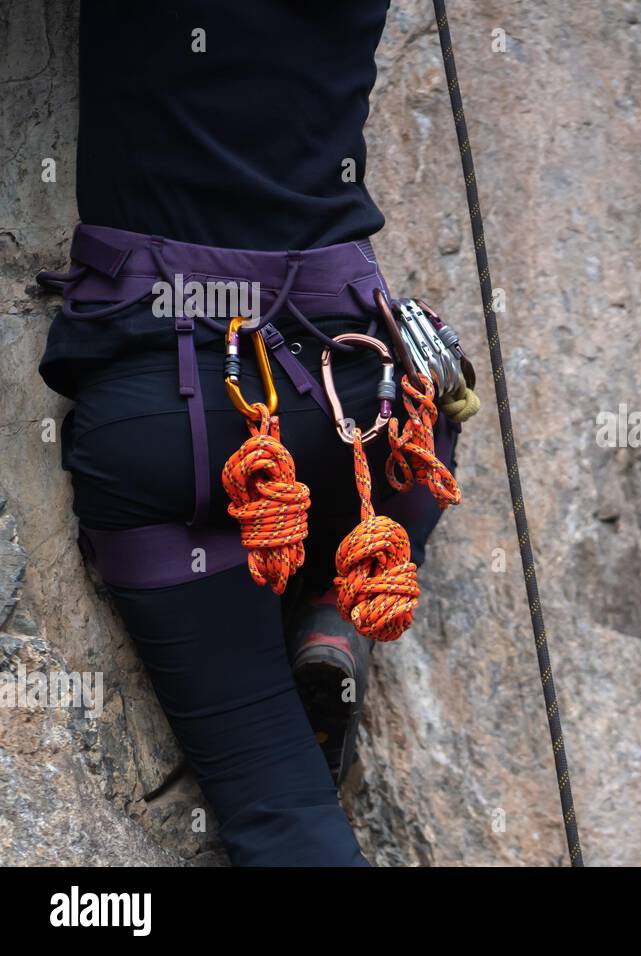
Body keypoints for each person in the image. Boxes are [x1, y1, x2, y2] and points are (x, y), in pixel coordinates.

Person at [35, 1, 474, 866]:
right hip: (350, 395)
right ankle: (330, 616)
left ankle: (317, 624)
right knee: (432, 422)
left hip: (172, 423)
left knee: (276, 800)